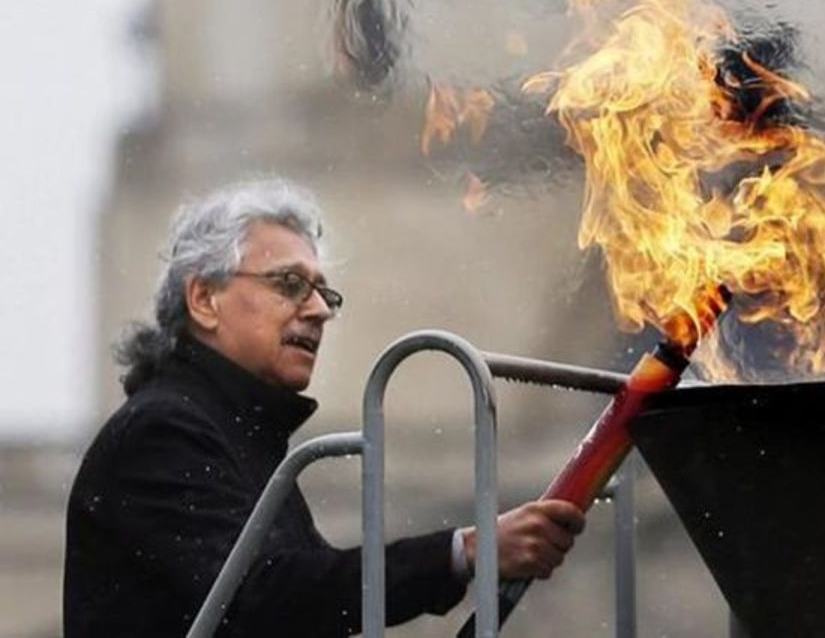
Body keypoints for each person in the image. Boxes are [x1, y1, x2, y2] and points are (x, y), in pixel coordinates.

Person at [63, 179, 586, 637]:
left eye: (321, 292)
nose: (317, 311)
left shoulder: (236, 432)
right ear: (204, 299)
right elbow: (261, 596)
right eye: (288, 284)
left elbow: (292, 596)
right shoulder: (162, 432)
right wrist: (466, 551)